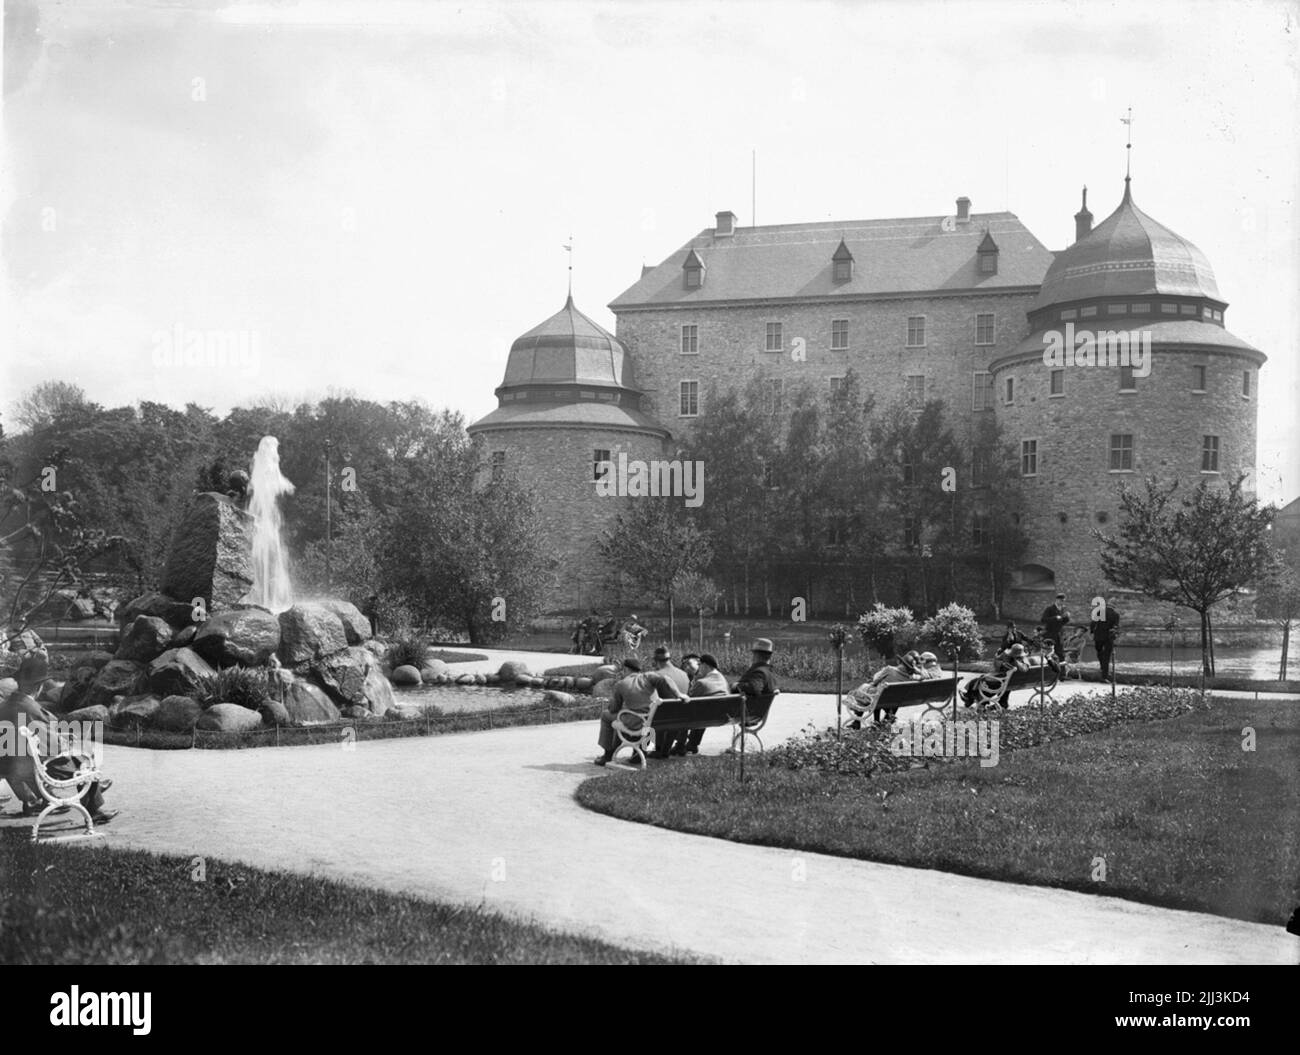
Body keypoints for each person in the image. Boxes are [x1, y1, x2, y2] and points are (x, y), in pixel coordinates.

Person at [0, 655, 116, 823]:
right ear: (38, 686)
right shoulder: (31, 709)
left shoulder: (7, 705)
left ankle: (94, 786)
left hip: (9, 761)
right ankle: (94, 806)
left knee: (76, 754)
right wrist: (65, 741)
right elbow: (52, 747)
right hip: (36, 766)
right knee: (83, 759)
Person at [593, 658, 686, 766]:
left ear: (626, 669)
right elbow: (666, 679)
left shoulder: (621, 684)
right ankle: (641, 753)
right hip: (654, 721)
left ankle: (607, 755)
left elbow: (614, 709)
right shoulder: (649, 676)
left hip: (638, 722)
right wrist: (679, 694)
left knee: (606, 716)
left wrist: (613, 702)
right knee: (633, 716)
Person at [671, 652, 729, 756]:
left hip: (701, 717)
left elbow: (687, 701)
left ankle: (658, 749)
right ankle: (692, 745)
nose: (698, 667)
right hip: (720, 716)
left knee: (678, 712)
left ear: (705, 666)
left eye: (700, 665)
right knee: (700, 712)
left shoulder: (702, 683)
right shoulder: (723, 680)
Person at [649, 647, 691, 757]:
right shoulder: (684, 674)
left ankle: (642, 751)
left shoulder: (657, 675)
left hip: (662, 718)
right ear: (669, 659)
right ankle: (676, 746)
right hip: (681, 717)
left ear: (655, 661)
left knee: (646, 716)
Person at [1090, 598, 1120, 679]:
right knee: (1106, 656)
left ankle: (1102, 667)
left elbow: (1093, 623)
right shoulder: (1116, 614)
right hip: (1108, 637)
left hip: (1098, 636)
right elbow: (1115, 627)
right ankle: (1104, 675)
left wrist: (1092, 632)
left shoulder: (1100, 611)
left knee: (1099, 652)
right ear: (1115, 605)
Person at [1040, 593, 1071, 660]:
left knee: (1060, 652)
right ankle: (1048, 667)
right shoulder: (1050, 609)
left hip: (1059, 634)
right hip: (1050, 634)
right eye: (1061, 600)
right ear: (1057, 600)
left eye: (1063, 601)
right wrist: (1055, 618)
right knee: (1049, 652)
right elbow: (1043, 620)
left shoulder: (1063, 609)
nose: (1062, 602)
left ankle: (1061, 668)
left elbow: (1063, 622)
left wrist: (1067, 618)